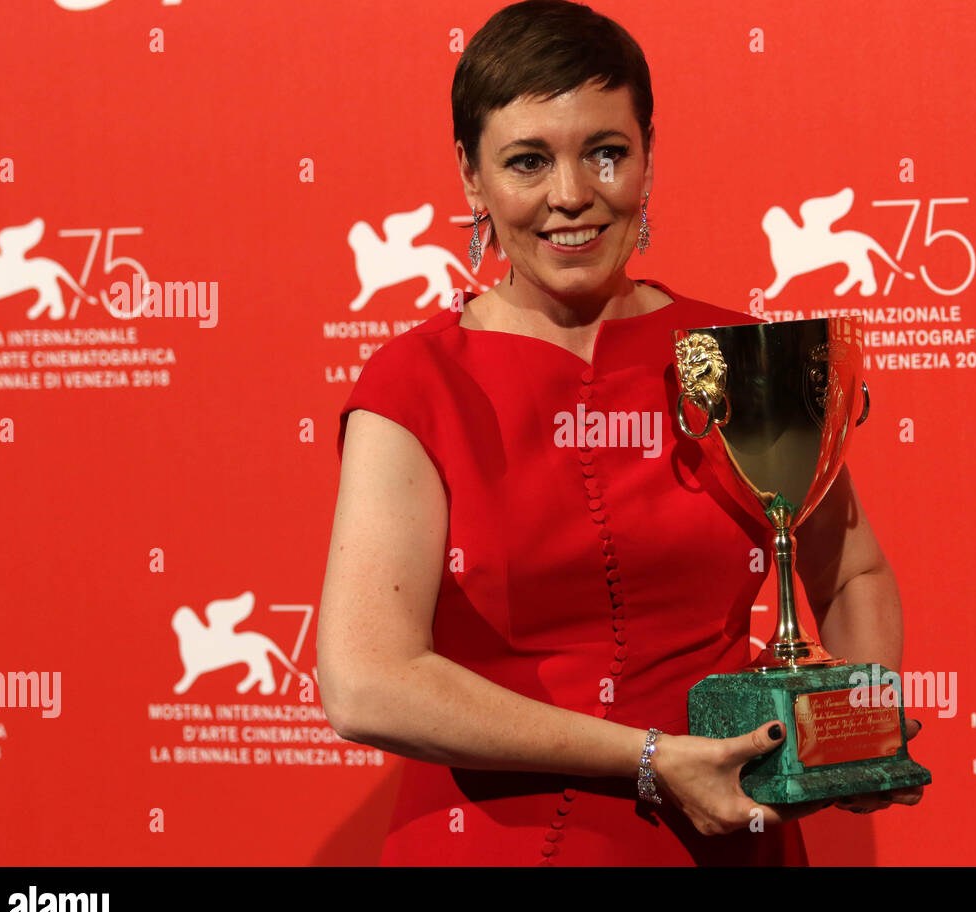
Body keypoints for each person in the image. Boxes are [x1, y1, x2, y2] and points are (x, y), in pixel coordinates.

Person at [317, 0, 922, 866]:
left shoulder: (738, 356)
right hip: (494, 847)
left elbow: (850, 567)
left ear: (646, 157)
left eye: (606, 151)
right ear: (470, 178)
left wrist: (859, 723)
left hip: (725, 841)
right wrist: (649, 759)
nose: (572, 195)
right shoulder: (416, 384)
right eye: (527, 161)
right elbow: (366, 682)